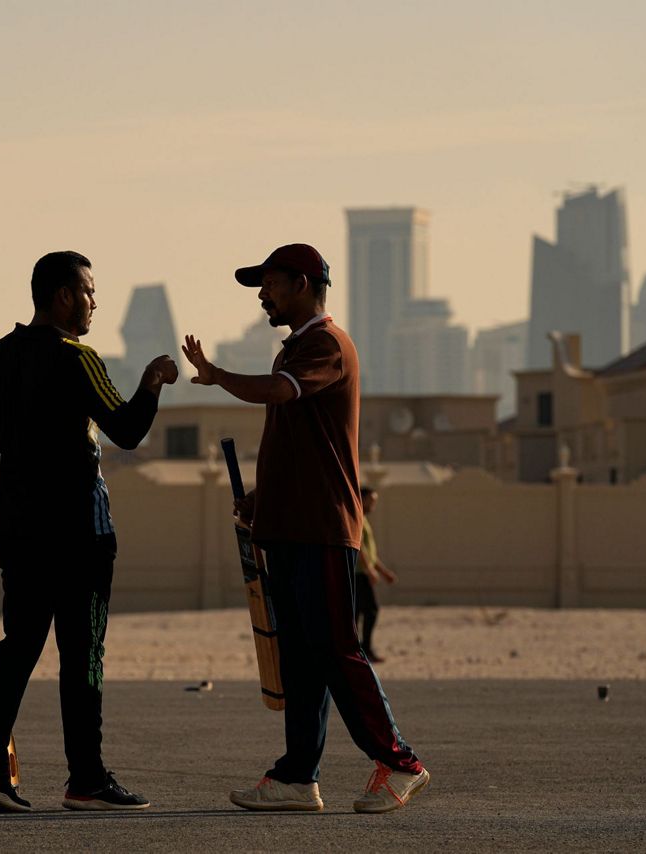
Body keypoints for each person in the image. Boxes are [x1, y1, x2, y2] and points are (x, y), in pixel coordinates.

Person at [181, 243, 429, 814]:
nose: (262, 296)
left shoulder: (323, 345)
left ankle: (399, 761)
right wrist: (261, 499)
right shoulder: (295, 348)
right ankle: (297, 776)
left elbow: (281, 393)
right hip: (291, 526)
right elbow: (297, 445)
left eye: (268, 284)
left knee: (336, 648)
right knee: (300, 657)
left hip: (320, 527)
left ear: (301, 282)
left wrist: (217, 375)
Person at [0, 250, 178, 814]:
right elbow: (128, 429)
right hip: (78, 531)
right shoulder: (77, 357)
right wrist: (152, 379)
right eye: (90, 292)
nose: (94, 304)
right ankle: (86, 779)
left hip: (15, 524)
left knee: (19, 644)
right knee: (83, 652)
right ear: (64, 296)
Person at [356, 486, 397, 663]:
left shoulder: (364, 520)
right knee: (370, 610)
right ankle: (365, 649)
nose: (373, 505)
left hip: (363, 571)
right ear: (362, 499)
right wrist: (368, 570)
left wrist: (383, 571)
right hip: (359, 573)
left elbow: (371, 554)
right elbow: (359, 548)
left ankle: (358, 650)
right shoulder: (357, 519)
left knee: (358, 611)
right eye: (371, 501)